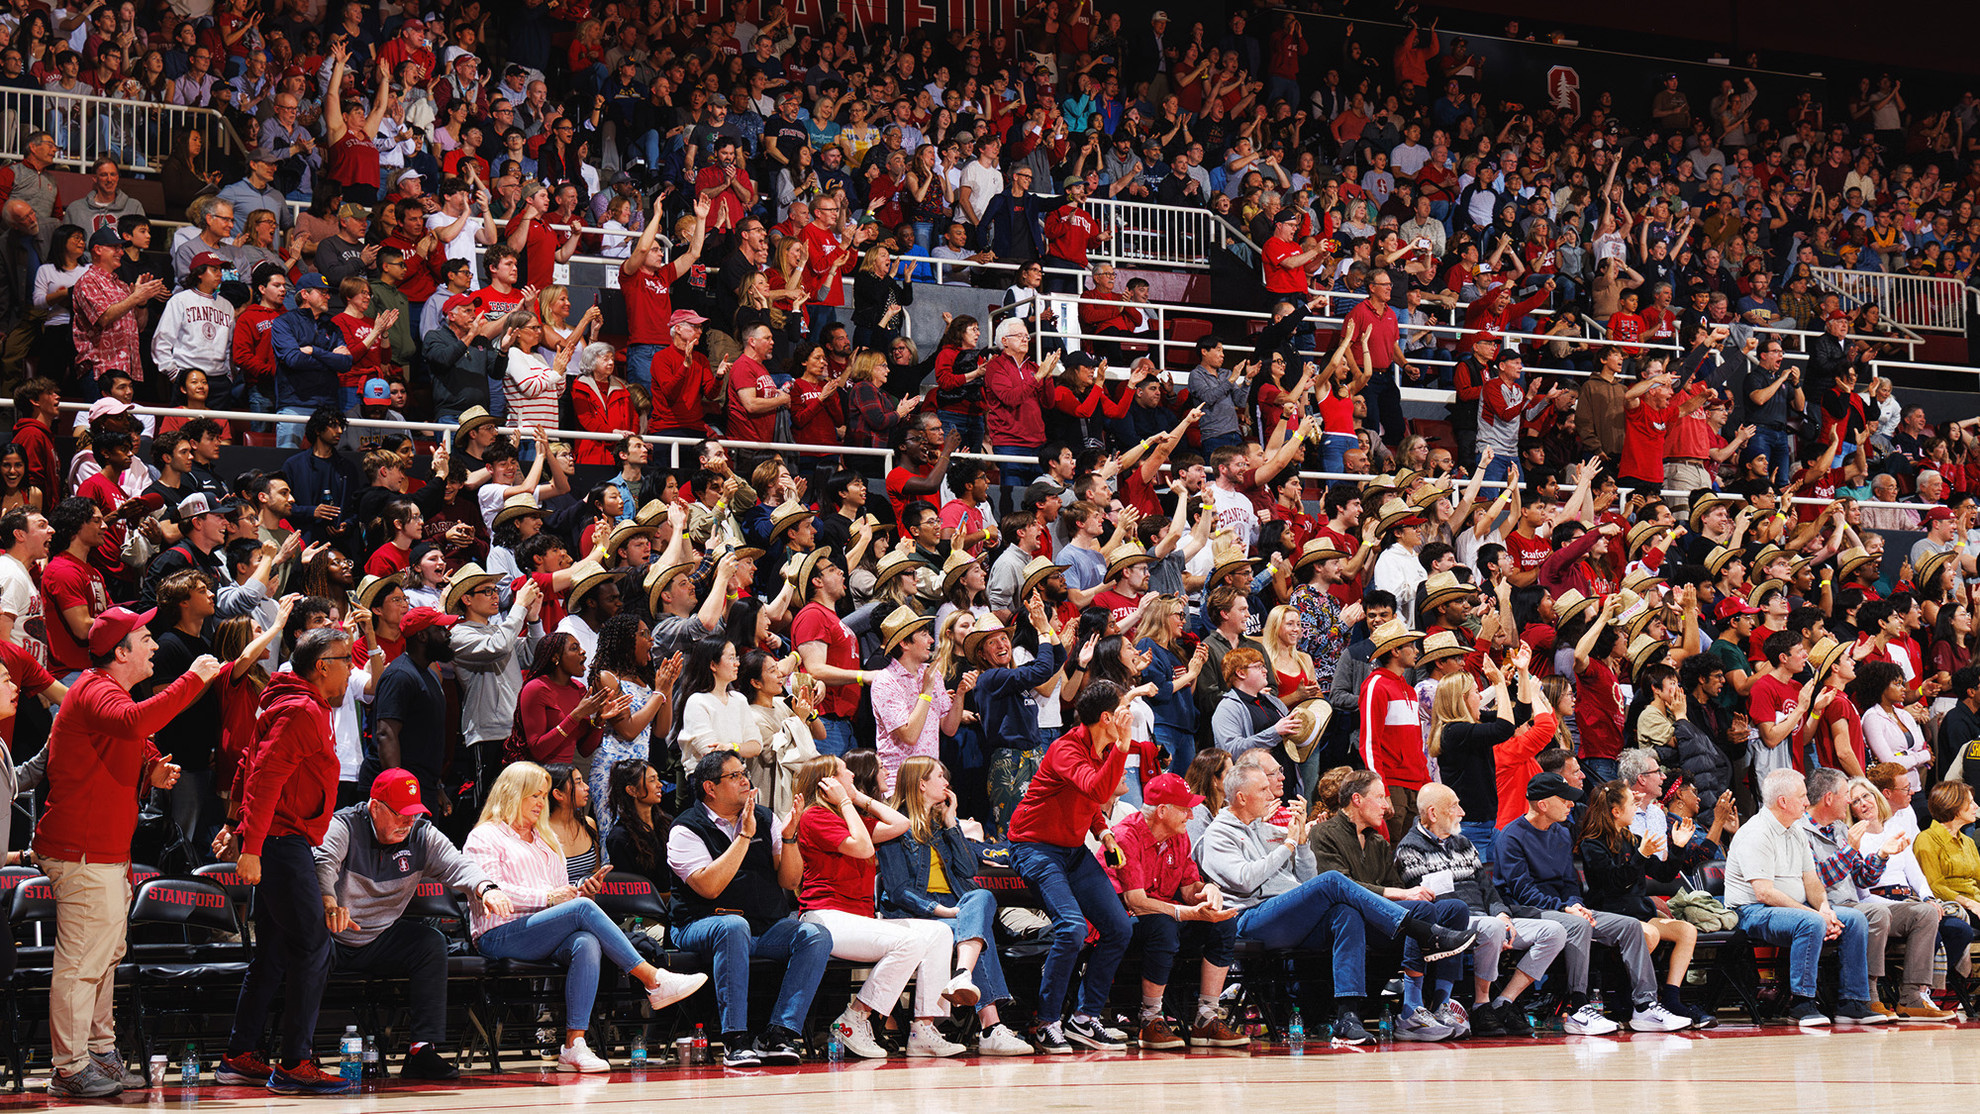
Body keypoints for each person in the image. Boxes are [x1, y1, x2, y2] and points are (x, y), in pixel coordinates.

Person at [36, 606, 222, 1098]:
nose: (155, 645)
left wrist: (151, 771)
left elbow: (127, 737)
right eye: (144, 638)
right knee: (81, 961)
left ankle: (98, 1052)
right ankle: (69, 1067)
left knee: (105, 954)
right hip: (81, 851)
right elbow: (135, 720)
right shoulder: (96, 689)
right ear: (121, 652)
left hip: (104, 851)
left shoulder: (109, 692)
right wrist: (192, 679)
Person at [1196, 756, 1477, 1047]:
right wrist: (1289, 845)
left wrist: (1301, 844)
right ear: (1241, 797)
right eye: (1263, 790)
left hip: (1290, 914)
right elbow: (1245, 880)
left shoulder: (1264, 829)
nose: (1271, 795)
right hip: (1251, 918)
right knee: (1332, 880)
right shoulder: (1219, 833)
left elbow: (1305, 878)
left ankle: (1347, 1017)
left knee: (1346, 913)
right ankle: (1423, 932)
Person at [465, 762, 708, 1072]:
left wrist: (580, 893)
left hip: (541, 930)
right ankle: (653, 979)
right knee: (581, 914)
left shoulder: (544, 840)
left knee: (586, 940)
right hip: (499, 934)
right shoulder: (485, 836)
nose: (541, 804)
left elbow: (557, 892)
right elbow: (494, 893)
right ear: (512, 794)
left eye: (543, 796)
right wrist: (555, 899)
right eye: (534, 796)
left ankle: (573, 1044)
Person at [217, 627, 360, 1095]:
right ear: (322, 666)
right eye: (346, 659)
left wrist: (237, 827)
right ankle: (296, 1061)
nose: (351, 669)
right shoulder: (301, 709)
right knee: (316, 945)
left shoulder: (289, 702)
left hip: (278, 838)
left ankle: (240, 1055)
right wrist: (251, 845)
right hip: (281, 841)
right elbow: (265, 775)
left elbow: (247, 764)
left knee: (276, 949)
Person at [793, 754, 967, 1059]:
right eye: (845, 774)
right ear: (827, 783)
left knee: (939, 933)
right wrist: (848, 804)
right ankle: (854, 1019)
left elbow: (900, 823)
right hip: (825, 916)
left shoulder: (852, 818)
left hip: (858, 919)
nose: (851, 777)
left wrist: (857, 797)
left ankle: (923, 1027)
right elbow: (862, 848)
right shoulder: (815, 816)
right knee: (909, 941)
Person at [1495, 771, 1693, 1033]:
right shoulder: (1510, 836)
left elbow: (1569, 882)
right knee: (1579, 926)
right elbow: (1522, 890)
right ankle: (1578, 1008)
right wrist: (1565, 908)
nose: (1570, 804)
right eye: (1564, 799)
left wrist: (1576, 904)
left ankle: (1645, 1006)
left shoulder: (1562, 832)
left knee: (1630, 926)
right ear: (1543, 805)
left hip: (1568, 909)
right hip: (1530, 912)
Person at [667, 751, 830, 1067]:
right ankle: (735, 1039)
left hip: (763, 925)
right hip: (699, 924)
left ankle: (778, 1033)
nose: (746, 780)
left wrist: (790, 837)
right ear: (710, 788)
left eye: (745, 773)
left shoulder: (765, 817)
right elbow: (709, 886)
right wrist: (744, 835)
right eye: (735, 776)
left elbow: (790, 879)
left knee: (816, 935)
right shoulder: (685, 828)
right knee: (732, 926)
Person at [1005, 680, 1139, 1052]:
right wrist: (1124, 747)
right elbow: (1096, 789)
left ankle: (1084, 1018)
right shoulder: (1066, 749)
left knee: (1118, 928)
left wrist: (1104, 832)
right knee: (1072, 927)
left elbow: (1090, 802)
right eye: (1124, 710)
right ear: (1108, 717)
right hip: (1034, 848)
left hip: (1072, 849)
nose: (1129, 718)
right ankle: (1046, 1021)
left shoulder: (1102, 747)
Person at [877, 755, 1033, 1055]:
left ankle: (963, 975)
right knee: (975, 935)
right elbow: (897, 891)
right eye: (939, 776)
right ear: (921, 784)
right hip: (917, 913)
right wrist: (940, 911)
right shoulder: (894, 826)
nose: (946, 783)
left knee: (983, 896)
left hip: (957, 906)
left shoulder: (940, 824)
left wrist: (951, 822)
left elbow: (968, 870)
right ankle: (991, 1028)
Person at [1308, 769, 1476, 1039]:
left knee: (1455, 908)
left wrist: (1416, 891)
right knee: (1420, 910)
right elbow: (1338, 885)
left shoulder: (1376, 842)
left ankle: (1441, 1004)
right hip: (1345, 922)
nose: (1387, 807)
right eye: (1380, 798)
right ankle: (1411, 1008)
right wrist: (1403, 894)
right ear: (1357, 800)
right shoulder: (1323, 833)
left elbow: (1397, 886)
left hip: (1386, 922)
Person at [1723, 768, 1891, 1028]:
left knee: (1855, 919)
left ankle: (1852, 1002)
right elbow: (1764, 892)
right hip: (1752, 910)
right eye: (1802, 796)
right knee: (1809, 923)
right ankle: (1801, 1003)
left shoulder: (1795, 830)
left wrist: (1824, 907)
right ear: (1783, 802)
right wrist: (1815, 915)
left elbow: (1812, 881)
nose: (1806, 801)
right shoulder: (1756, 832)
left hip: (1793, 908)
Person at [1397, 783, 1566, 1037]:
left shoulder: (1463, 842)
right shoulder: (1410, 849)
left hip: (1488, 919)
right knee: (1492, 927)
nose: (1462, 812)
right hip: (1453, 924)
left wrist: (1501, 914)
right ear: (1433, 814)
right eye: (1454, 806)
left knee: (1555, 931)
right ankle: (1481, 1004)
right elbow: (1433, 901)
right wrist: (1493, 924)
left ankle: (1504, 1002)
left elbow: (1487, 888)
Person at [1099, 770, 1244, 1049]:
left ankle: (1206, 1018)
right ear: (1162, 811)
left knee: (1222, 922)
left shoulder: (1178, 836)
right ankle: (1150, 1019)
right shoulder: (1126, 835)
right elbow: (1135, 901)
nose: (1191, 817)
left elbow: (1190, 889)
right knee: (1162, 925)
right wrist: (1186, 913)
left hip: (1163, 916)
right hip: (1122, 921)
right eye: (1185, 810)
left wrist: (1209, 890)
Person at [1799, 766, 1949, 1022]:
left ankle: (1912, 996)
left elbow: (1862, 876)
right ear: (1829, 798)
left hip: (1855, 903)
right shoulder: (1803, 832)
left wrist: (1881, 854)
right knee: (1877, 911)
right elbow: (1819, 879)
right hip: (1826, 905)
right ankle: (1868, 995)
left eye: (1859, 796)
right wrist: (1851, 849)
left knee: (1924, 913)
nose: (1850, 802)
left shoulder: (1838, 829)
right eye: (1848, 796)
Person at [1574, 780, 1716, 1027]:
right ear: (1616, 812)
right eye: (1632, 804)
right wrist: (1641, 855)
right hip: (1610, 914)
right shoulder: (1592, 843)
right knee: (1648, 933)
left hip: (1638, 911)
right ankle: (1629, 999)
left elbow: (1663, 874)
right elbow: (1613, 884)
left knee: (1686, 930)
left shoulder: (1632, 838)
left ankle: (1671, 998)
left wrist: (1679, 847)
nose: (1636, 809)